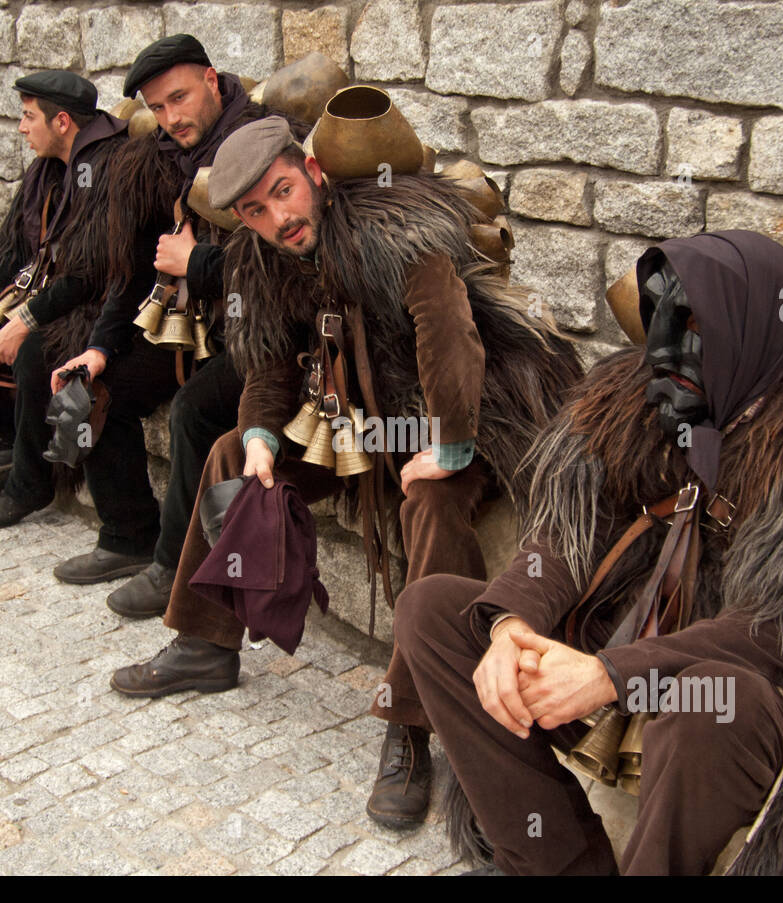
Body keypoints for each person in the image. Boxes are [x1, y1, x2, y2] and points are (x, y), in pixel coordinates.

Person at [392, 230, 783, 874]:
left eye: (689, 328)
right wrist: (513, 622)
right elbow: (568, 531)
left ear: (747, 329)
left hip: (768, 695)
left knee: (708, 697)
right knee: (434, 610)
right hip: (625, 634)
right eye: (659, 322)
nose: (662, 352)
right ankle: (558, 864)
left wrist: (610, 673)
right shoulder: (629, 400)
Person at [112, 115, 583, 830]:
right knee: (231, 454)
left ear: (313, 172)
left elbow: (448, 332)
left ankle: (413, 724)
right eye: (255, 211)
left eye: (282, 192)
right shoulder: (261, 257)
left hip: (464, 409)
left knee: (432, 502)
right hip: (354, 424)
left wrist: (452, 443)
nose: (278, 218)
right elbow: (269, 358)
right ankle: (203, 642)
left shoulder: (396, 230)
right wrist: (264, 431)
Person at [40, 35, 305, 605]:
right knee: (100, 385)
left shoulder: (266, 140)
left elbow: (290, 263)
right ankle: (127, 533)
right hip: (187, 325)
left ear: (212, 80)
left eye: (179, 99)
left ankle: (175, 570)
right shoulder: (154, 163)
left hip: (265, 334)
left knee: (195, 409)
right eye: (157, 108)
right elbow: (135, 270)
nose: (170, 118)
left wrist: (199, 263)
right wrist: (101, 348)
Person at [0, 70, 128, 511]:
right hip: (37, 290)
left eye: (27, 117)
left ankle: (31, 484)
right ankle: (1, 449)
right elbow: (12, 249)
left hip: (87, 305)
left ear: (61, 122)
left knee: (34, 350)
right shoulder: (44, 169)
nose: (21, 128)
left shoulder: (109, 169)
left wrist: (24, 321)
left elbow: (90, 274)